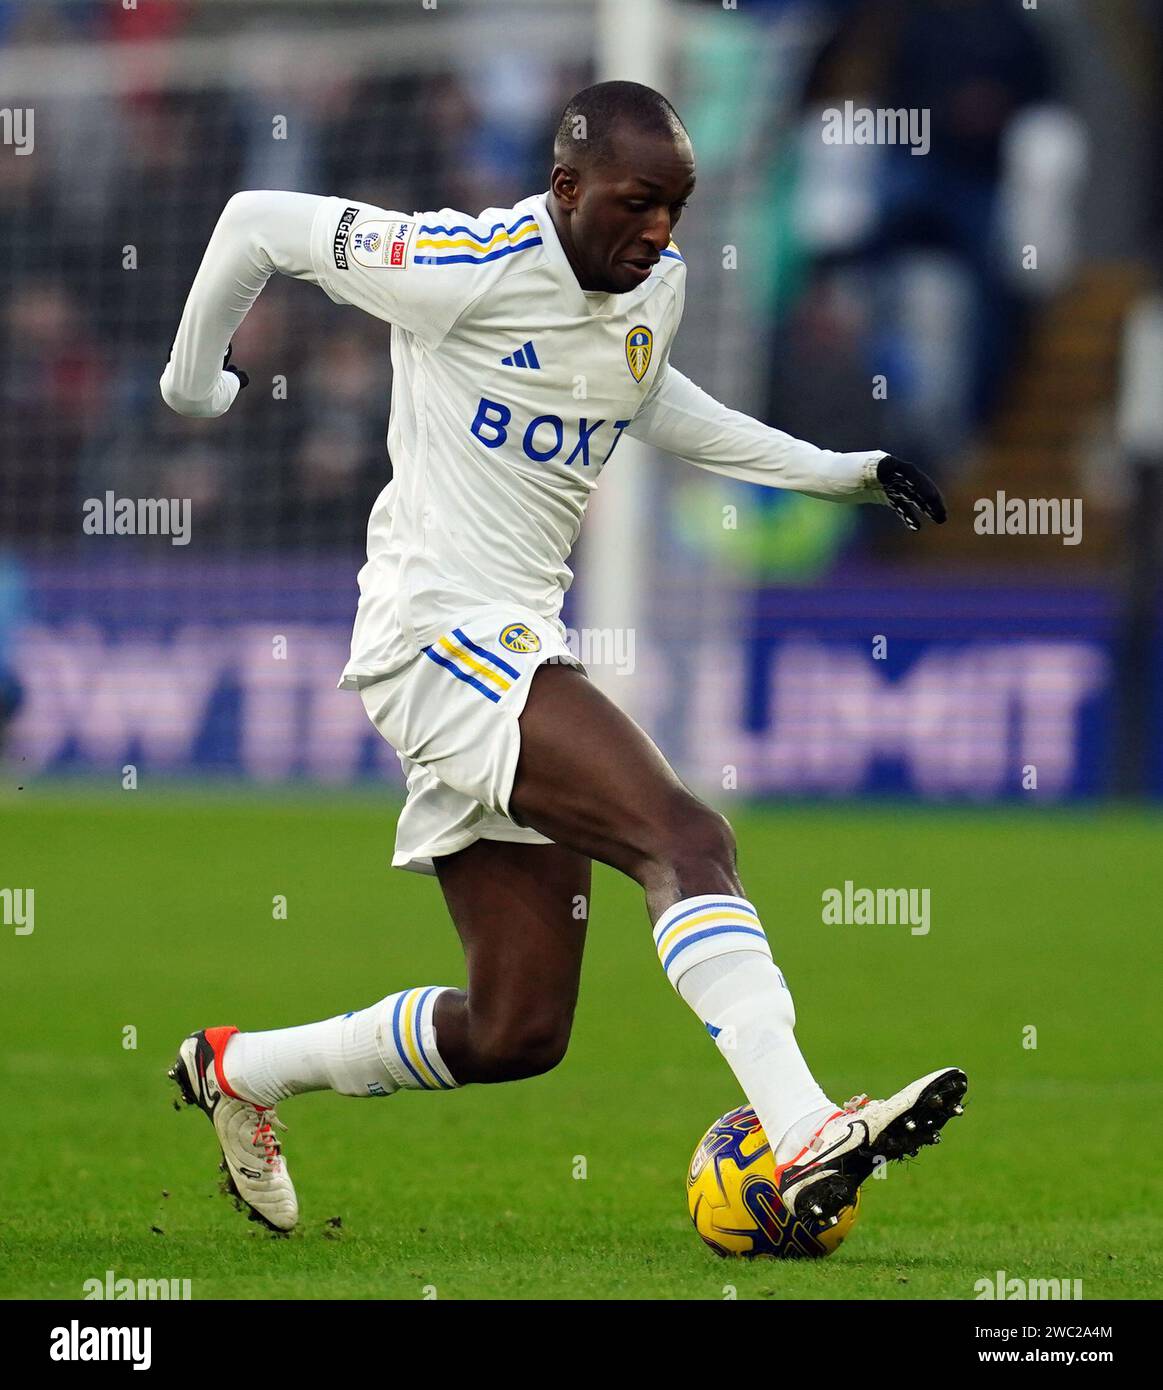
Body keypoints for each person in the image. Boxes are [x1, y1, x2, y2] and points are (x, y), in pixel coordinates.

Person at [161, 81, 963, 1236]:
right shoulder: (461, 260)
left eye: (675, 209)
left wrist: (835, 469)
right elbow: (251, 223)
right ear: (566, 188)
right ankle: (801, 1132)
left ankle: (239, 1071)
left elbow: (647, 398)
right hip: (436, 634)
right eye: (638, 204)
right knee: (685, 838)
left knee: (515, 1031)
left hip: (513, 644)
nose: (659, 232)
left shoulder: (656, 290)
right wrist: (196, 388)